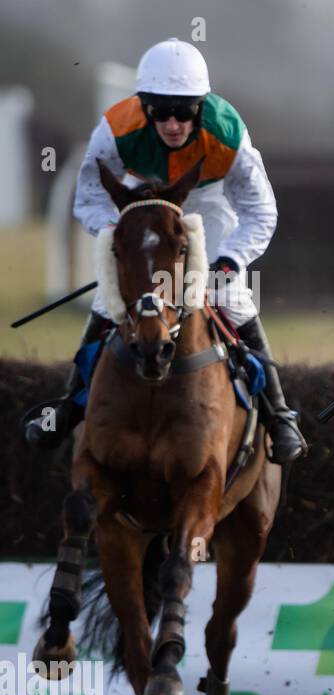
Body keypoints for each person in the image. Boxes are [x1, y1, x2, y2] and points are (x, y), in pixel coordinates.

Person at [23, 38, 306, 462]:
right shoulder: (115, 128)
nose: (173, 124)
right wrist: (122, 238)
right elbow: (89, 196)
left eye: (185, 111)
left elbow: (259, 209)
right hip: (143, 209)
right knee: (110, 300)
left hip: (207, 209)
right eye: (160, 110)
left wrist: (230, 260)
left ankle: (280, 415)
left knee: (234, 299)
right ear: (143, 105)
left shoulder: (228, 131)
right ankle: (67, 406)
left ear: (201, 107)